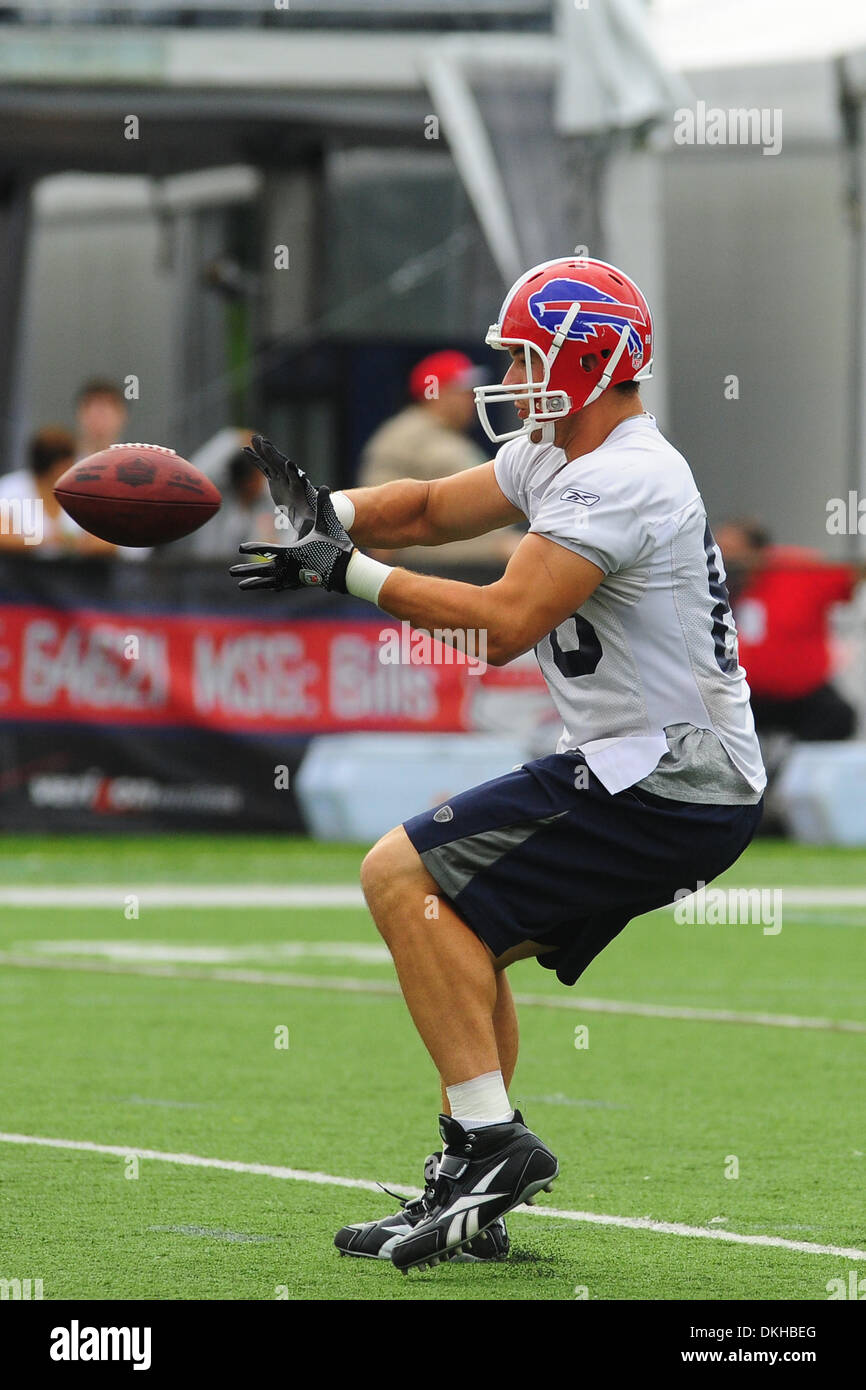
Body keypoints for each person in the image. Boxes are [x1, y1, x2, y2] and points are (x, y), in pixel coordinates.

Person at [229, 256, 766, 1272]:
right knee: (456, 933)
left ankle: (488, 1144)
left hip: (662, 781)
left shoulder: (624, 474)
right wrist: (317, 511)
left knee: (397, 873)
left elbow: (503, 626)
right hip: (653, 772)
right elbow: (429, 508)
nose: (514, 375)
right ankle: (471, 1178)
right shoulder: (557, 450)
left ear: (591, 360)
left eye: (530, 355)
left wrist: (341, 571)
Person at [358, 349, 519, 570]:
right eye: (462, 390)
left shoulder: (451, 436)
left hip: (475, 563)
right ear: (439, 391)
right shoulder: (402, 436)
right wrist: (496, 547)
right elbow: (382, 536)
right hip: (434, 571)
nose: (470, 399)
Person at [714, 519, 858, 742]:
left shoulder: (796, 571)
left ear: (759, 553)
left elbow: (853, 576)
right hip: (742, 694)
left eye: (734, 553)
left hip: (803, 694)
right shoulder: (713, 585)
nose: (726, 561)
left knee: (839, 716)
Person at [0, 425, 115, 556]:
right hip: (20, 573)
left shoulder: (83, 492)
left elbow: (107, 542)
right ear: (57, 466)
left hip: (74, 574)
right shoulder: (11, 489)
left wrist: (77, 544)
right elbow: (2, 537)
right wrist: (47, 541)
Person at [75, 379, 129, 461]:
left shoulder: (136, 466)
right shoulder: (60, 467)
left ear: (122, 415)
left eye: (105, 412)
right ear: (80, 414)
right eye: (93, 411)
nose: (99, 419)